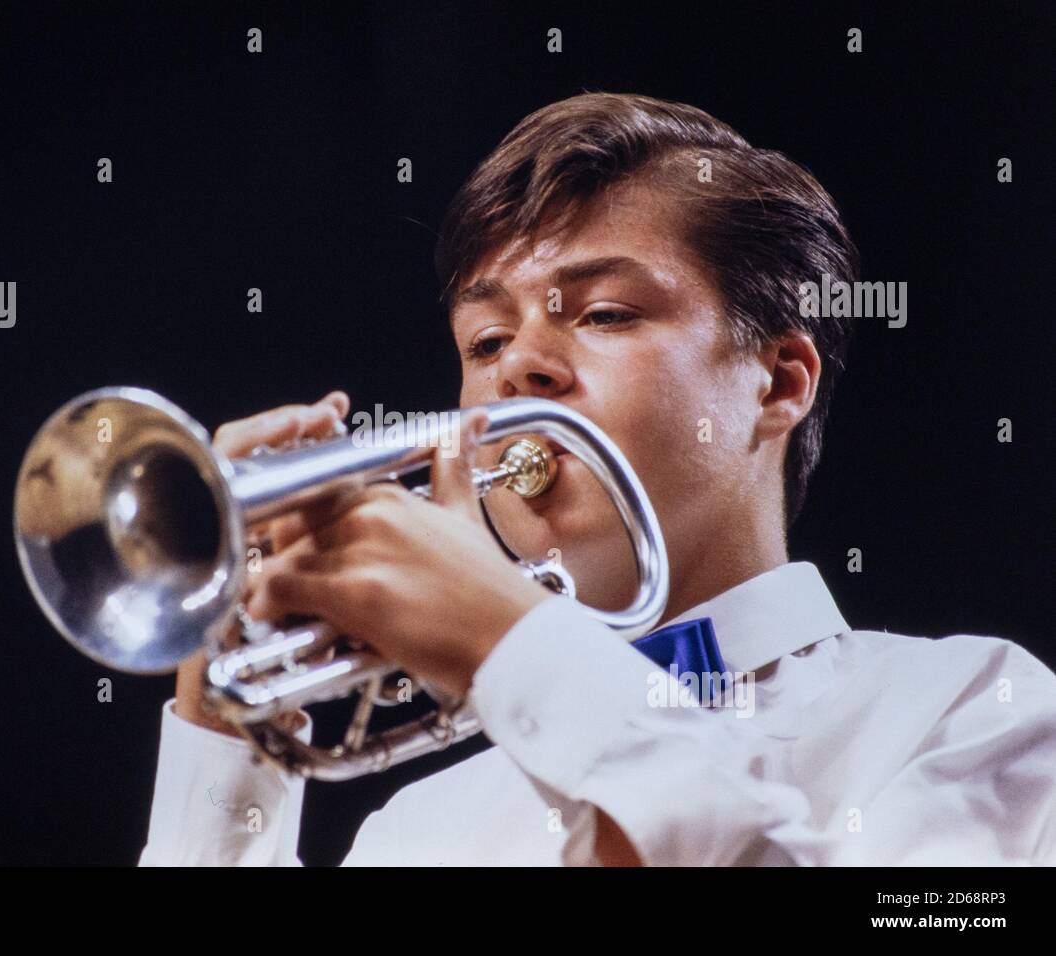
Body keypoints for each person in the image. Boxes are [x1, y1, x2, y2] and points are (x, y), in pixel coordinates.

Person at [138, 93, 1056, 866]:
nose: (519, 367)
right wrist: (223, 739)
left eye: (606, 314)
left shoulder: (979, 710)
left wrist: (514, 647)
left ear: (778, 382)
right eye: (485, 341)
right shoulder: (411, 830)